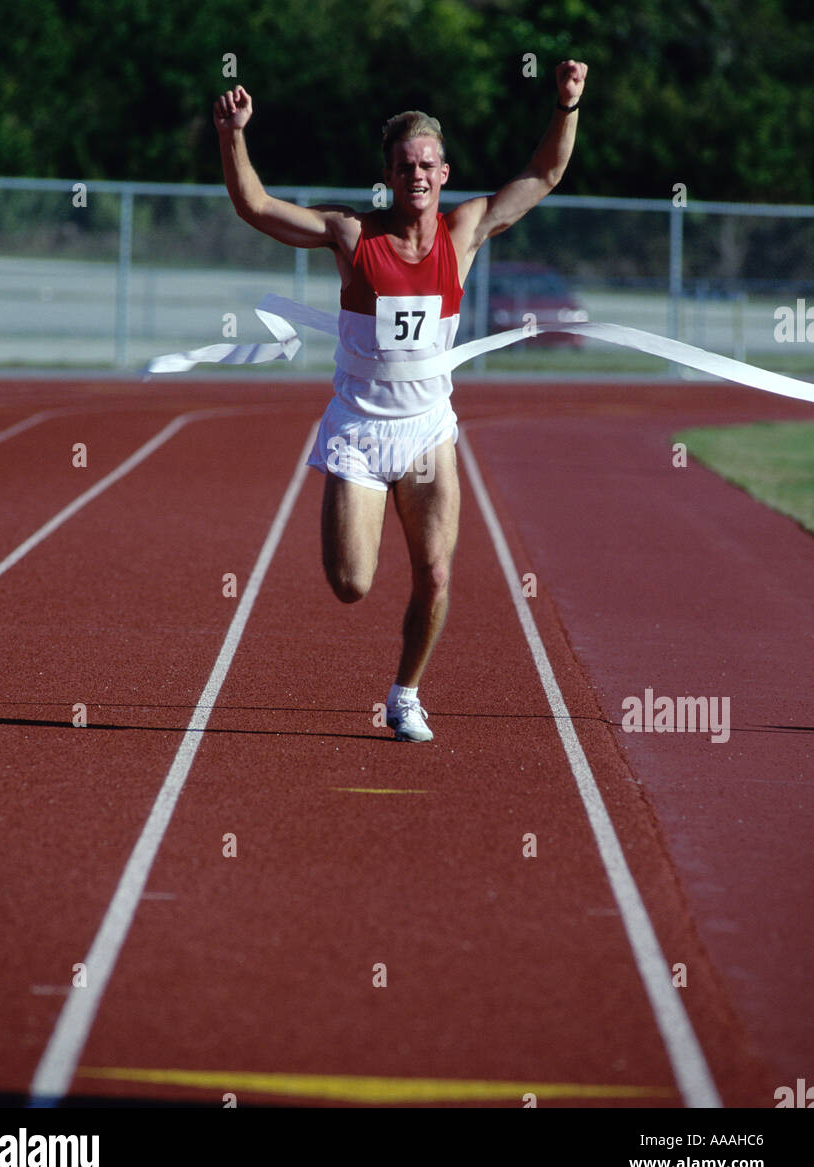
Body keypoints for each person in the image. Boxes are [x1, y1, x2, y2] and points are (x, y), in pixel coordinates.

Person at [213, 61, 587, 742]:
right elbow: (256, 208)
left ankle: (406, 693)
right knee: (352, 584)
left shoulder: (463, 232)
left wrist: (566, 105)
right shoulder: (354, 236)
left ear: (443, 173)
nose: (417, 174)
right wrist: (233, 135)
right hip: (357, 430)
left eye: (428, 164)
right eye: (405, 165)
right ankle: (384, 640)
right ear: (388, 176)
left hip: (426, 433)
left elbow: (545, 175)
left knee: (437, 573)